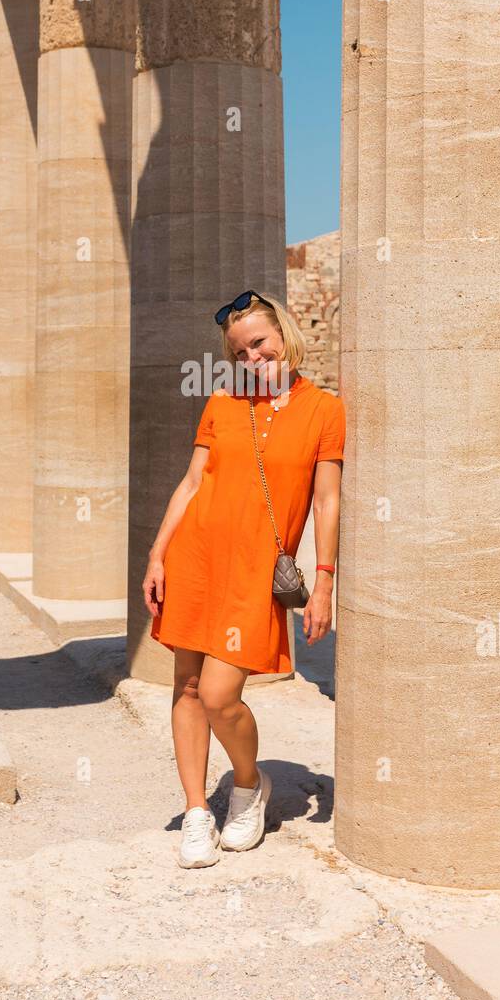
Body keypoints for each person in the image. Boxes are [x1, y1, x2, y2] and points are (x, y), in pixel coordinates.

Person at [142, 291, 346, 869]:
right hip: (195, 559)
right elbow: (191, 484)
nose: (251, 357)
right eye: (239, 351)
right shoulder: (222, 402)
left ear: (283, 334)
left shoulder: (324, 411)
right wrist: (157, 556)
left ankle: (249, 785)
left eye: (258, 343)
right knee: (185, 686)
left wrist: (325, 579)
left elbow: (327, 500)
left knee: (219, 694)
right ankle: (196, 812)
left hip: (255, 571)